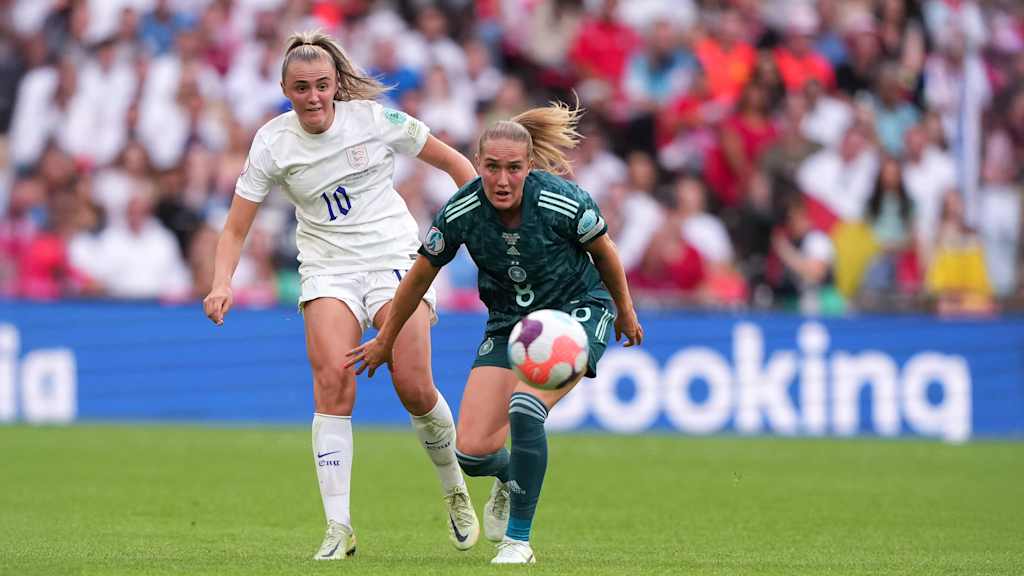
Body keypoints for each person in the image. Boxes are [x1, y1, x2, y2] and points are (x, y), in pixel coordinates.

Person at [201, 30, 481, 560]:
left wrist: (482, 227)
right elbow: (236, 229)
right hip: (328, 268)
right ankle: (339, 527)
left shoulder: (375, 121)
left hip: (396, 260)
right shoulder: (272, 142)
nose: (313, 97)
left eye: (322, 86)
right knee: (332, 382)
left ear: (336, 86)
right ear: (285, 88)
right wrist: (222, 281)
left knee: (414, 386)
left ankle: (454, 491)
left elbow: (456, 165)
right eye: (301, 87)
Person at [346, 102, 644, 565]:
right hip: (510, 324)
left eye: (513, 169)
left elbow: (605, 253)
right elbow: (420, 275)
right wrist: (385, 339)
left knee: (526, 409)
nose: (502, 180)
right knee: (472, 451)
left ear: (529, 167)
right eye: (492, 168)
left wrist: (624, 312)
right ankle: (510, 478)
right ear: (478, 164)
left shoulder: (562, 201)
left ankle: (518, 543)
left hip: (576, 312)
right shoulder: (462, 210)